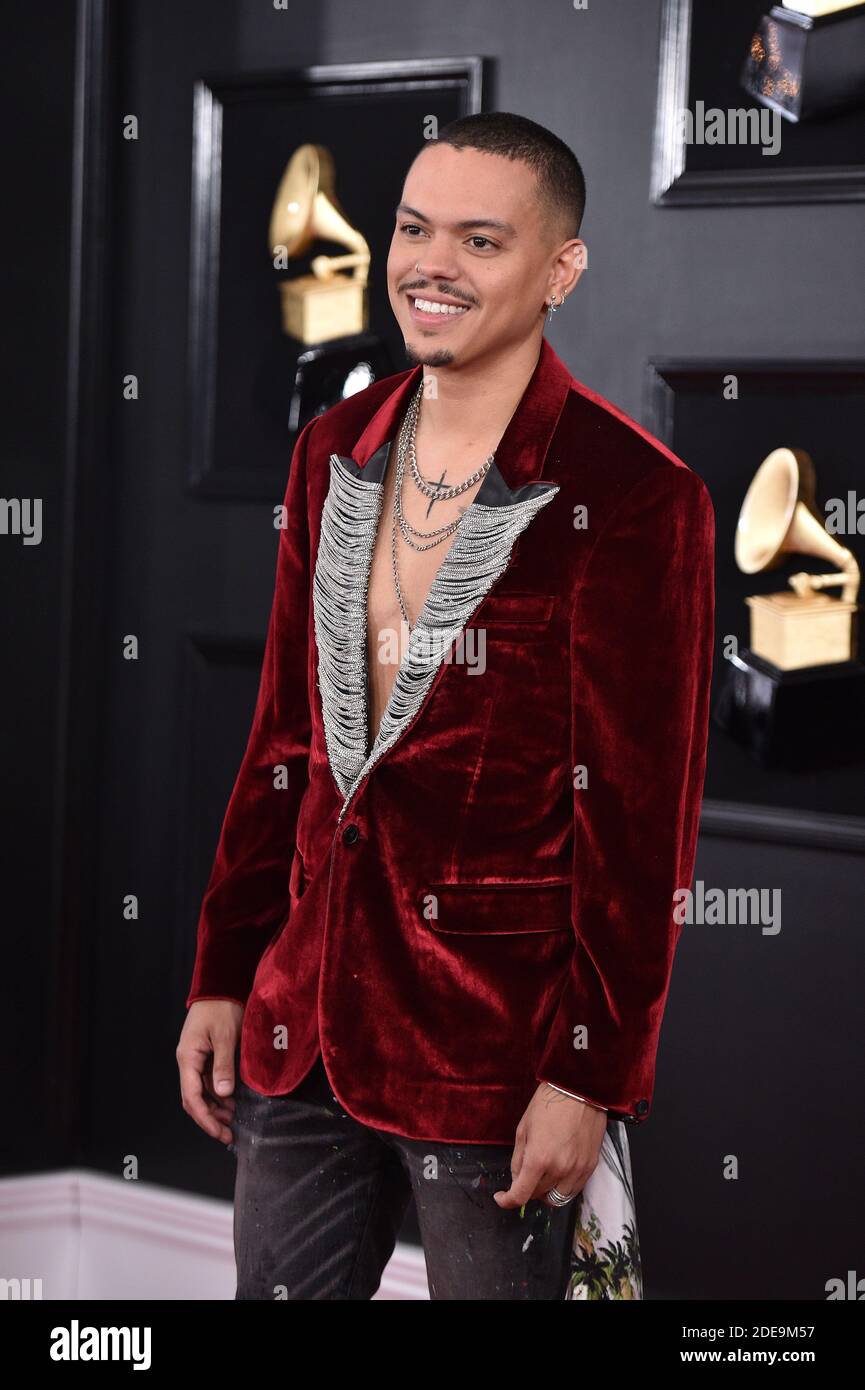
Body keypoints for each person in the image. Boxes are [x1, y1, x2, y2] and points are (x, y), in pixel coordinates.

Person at [177, 111, 715, 1301]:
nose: (432, 264)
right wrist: (223, 969)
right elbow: (283, 742)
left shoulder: (634, 496)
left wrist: (588, 1071)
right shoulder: (331, 449)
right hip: (299, 1019)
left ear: (559, 269)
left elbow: (639, 824)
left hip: (496, 1052)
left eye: (480, 240)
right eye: (415, 229)